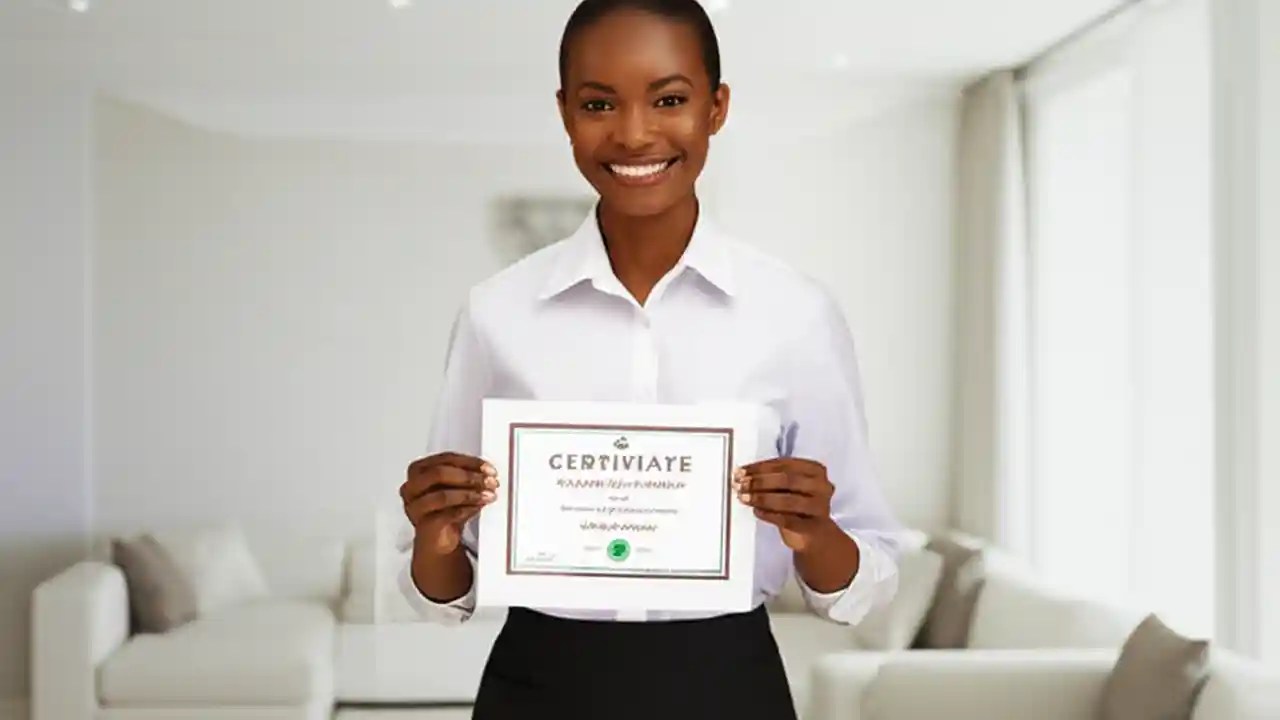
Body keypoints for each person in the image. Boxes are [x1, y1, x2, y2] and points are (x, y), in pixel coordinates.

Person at [397, 1, 903, 717]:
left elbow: (863, 587)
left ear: (716, 107)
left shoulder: (796, 314)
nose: (633, 134)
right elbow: (445, 595)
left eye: (668, 100)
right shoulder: (495, 313)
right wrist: (435, 536)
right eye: (599, 103)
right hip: (538, 686)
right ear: (565, 113)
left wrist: (815, 534)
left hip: (729, 687)